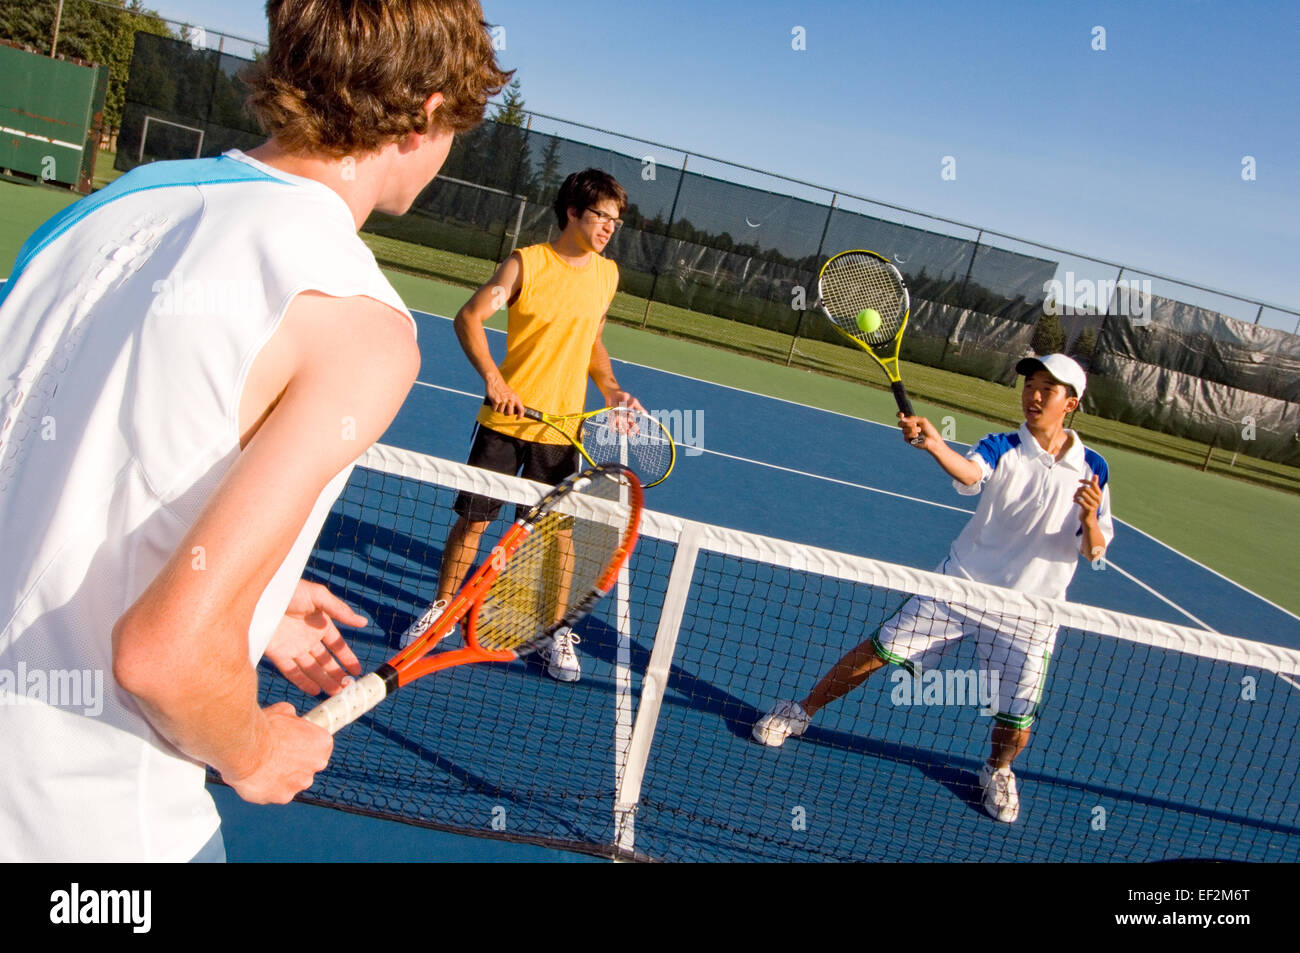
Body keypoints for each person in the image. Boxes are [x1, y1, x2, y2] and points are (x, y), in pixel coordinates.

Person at [0, 0, 510, 861]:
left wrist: (254, 597)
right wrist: (256, 749)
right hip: (84, 836)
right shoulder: (361, 326)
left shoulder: (109, 206)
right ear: (428, 108)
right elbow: (163, 658)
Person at [752, 354, 1113, 823]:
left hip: (1032, 612)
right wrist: (935, 444)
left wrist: (1088, 518)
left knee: (1016, 719)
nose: (1034, 395)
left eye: (1048, 388)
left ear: (1072, 402)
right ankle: (800, 711)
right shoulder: (1003, 446)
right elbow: (969, 473)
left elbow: (1095, 551)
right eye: (1030, 385)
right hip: (962, 585)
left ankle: (997, 770)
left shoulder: (1094, 468)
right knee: (878, 651)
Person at [409, 168, 640, 683]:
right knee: (474, 520)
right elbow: (469, 317)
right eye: (601, 215)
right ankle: (441, 612)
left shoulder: (607, 275)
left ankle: (553, 630)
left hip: (559, 432)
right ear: (574, 213)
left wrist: (610, 387)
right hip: (504, 421)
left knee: (556, 536)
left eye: (616, 220)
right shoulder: (525, 265)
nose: (609, 227)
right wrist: (494, 379)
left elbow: (592, 341)